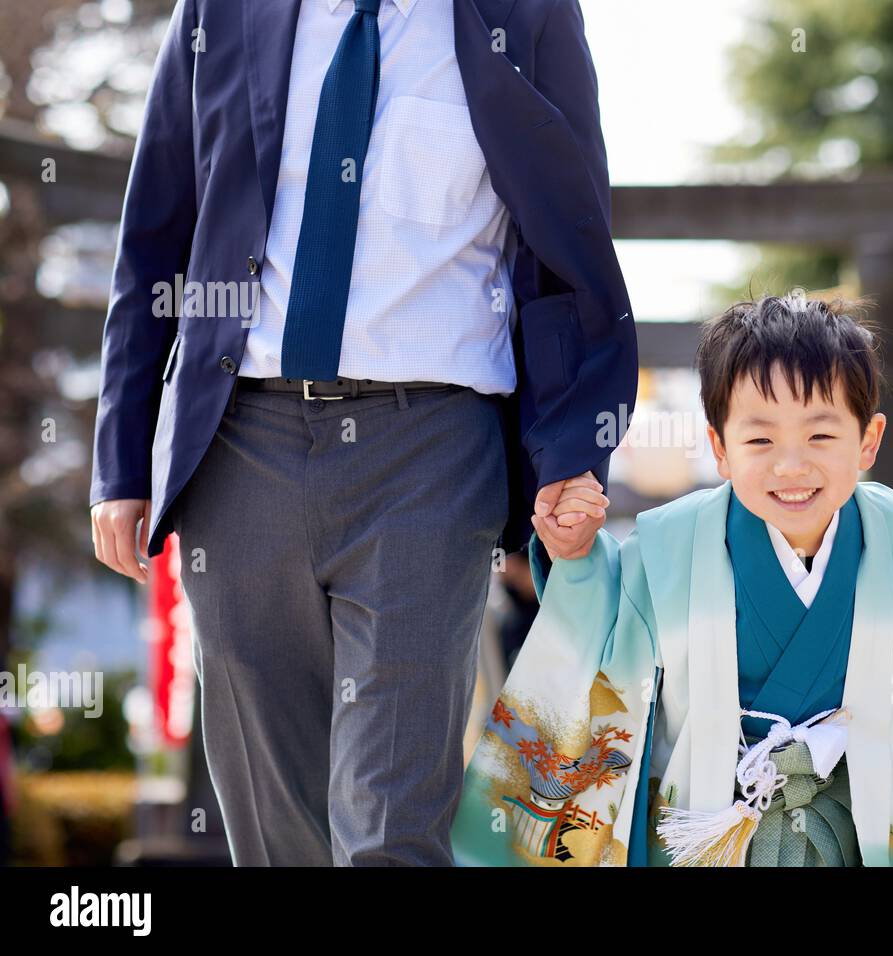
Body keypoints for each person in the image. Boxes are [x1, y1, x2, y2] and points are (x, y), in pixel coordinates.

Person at [88, 0, 635, 865]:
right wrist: (123, 456)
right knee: (274, 833)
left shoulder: (525, 16)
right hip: (240, 448)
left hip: (433, 449)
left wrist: (571, 450)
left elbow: (573, 243)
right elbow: (154, 235)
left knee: (390, 825)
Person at [452, 295, 893, 867]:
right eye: (760, 438)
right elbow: (600, 621)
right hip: (709, 838)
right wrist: (576, 558)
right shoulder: (666, 550)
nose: (792, 465)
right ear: (719, 448)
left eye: (821, 434)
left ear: (869, 440)